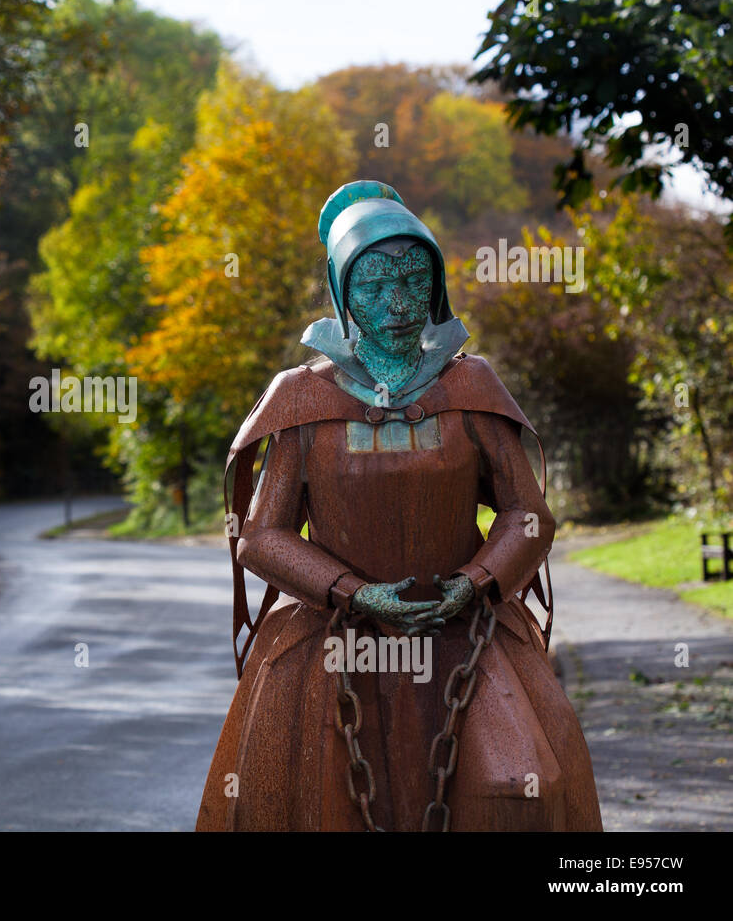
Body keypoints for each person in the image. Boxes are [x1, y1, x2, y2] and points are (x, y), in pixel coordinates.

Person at [195, 180, 602, 831]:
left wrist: (473, 585)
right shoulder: (301, 402)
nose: (399, 301)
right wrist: (354, 592)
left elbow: (529, 515)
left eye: (415, 279)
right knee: (303, 801)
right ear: (341, 292)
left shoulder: (471, 388)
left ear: (437, 286)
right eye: (375, 283)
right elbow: (262, 535)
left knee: (520, 785)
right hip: (334, 640)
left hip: (466, 631)